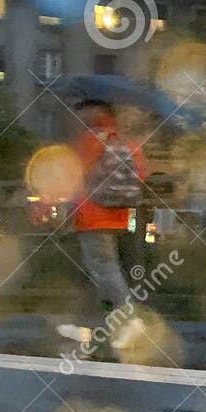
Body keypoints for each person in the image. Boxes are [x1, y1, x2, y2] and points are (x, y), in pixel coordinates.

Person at [57, 101, 148, 357]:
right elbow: (141, 174)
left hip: (92, 217)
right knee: (92, 271)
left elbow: (70, 177)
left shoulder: (88, 141)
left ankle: (131, 321)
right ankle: (81, 325)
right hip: (118, 216)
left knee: (105, 270)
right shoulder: (124, 142)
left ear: (92, 116)